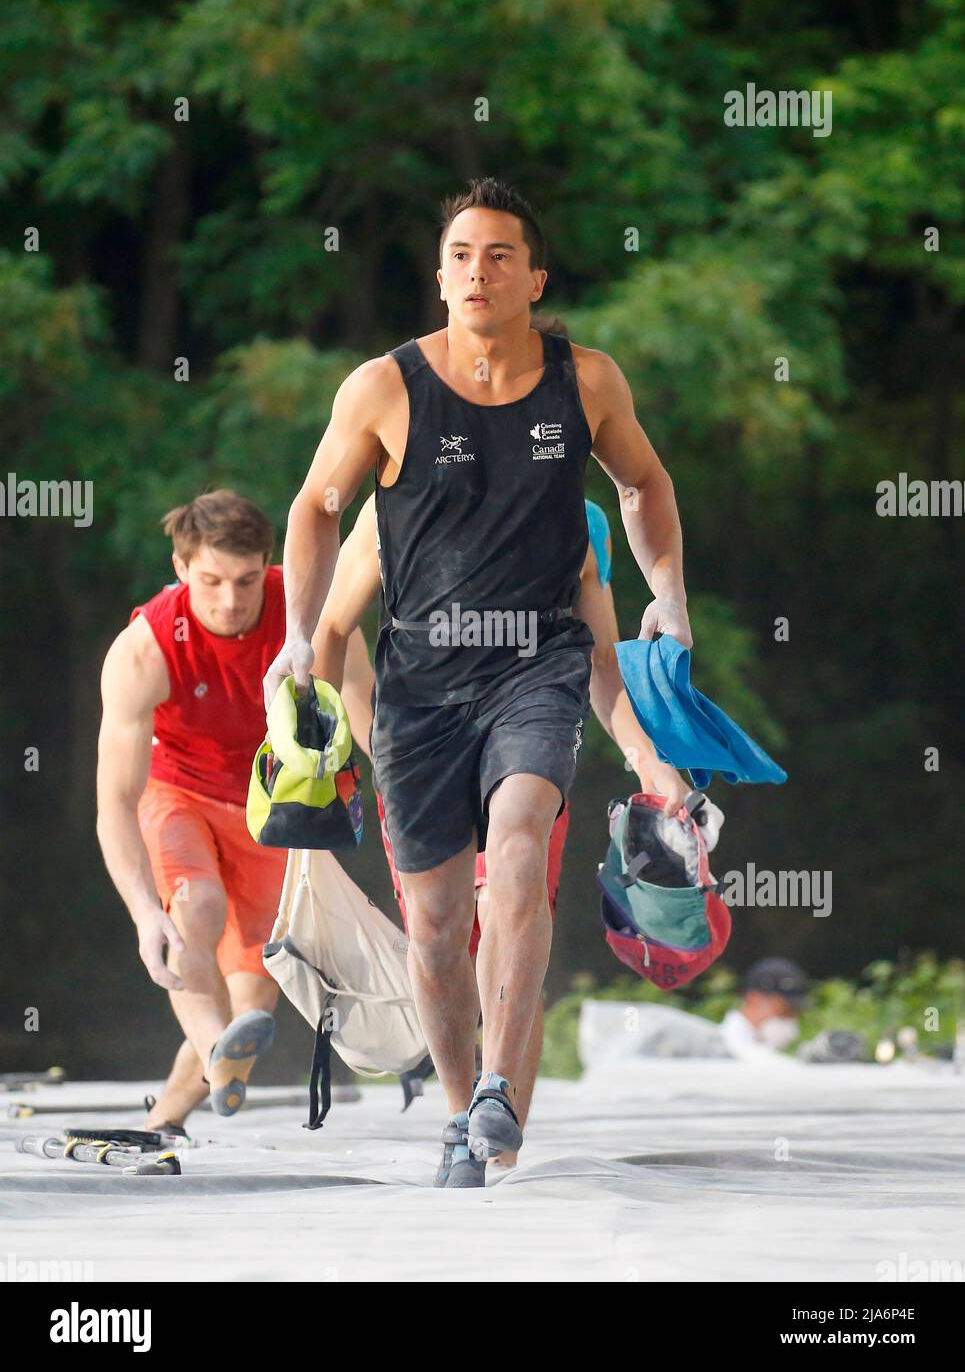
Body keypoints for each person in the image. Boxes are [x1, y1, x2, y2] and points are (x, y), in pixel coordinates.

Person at [265, 176, 693, 1186]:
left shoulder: (583, 380)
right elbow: (315, 511)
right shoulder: (382, 387)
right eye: (459, 254)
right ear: (439, 274)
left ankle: (502, 1082)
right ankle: (462, 1114)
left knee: (517, 838)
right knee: (435, 925)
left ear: (532, 278)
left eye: (498, 254)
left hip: (535, 665)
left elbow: (643, 483)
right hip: (418, 685)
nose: (476, 271)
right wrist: (297, 649)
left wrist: (667, 602)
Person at [311, 489, 692, 1178]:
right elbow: (333, 633)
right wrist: (340, 748)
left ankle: (499, 1116)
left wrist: (648, 762)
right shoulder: (389, 509)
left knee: (507, 908)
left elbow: (601, 659)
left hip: (527, 732)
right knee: (440, 937)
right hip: (419, 738)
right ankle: (461, 1121)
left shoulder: (580, 523)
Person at [96, 491, 288, 1130]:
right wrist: (145, 912)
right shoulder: (143, 647)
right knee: (195, 908)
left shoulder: (306, 609)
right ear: (181, 569)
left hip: (270, 800)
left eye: (246, 580)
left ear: (269, 563)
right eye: (210, 581)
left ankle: (167, 1117)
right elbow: (114, 804)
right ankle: (212, 1049)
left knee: (256, 1003)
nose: (230, 601)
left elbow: (367, 714)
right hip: (177, 789)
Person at [719, 958, 807, 1055]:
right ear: (754, 998)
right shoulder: (723, 1044)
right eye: (783, 1011)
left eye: (794, 1012)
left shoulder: (758, 1044)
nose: (790, 1019)